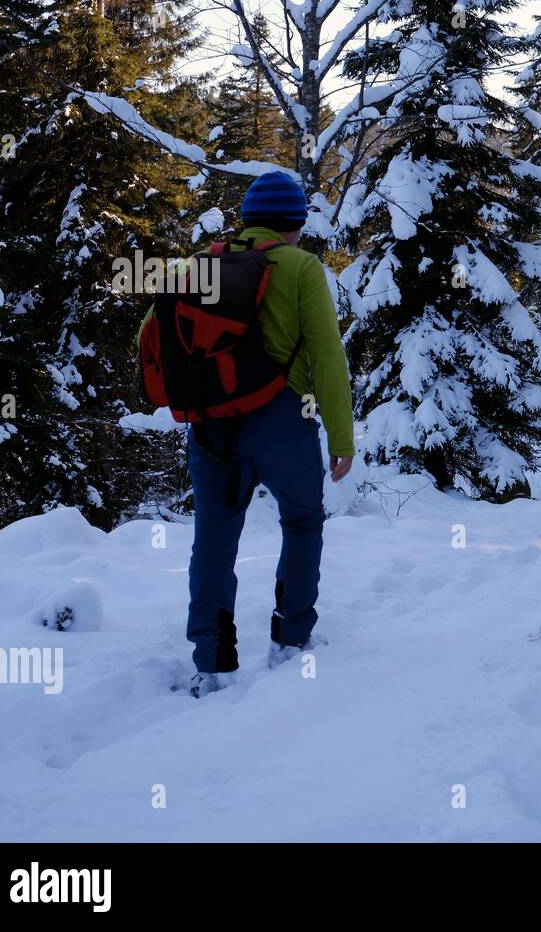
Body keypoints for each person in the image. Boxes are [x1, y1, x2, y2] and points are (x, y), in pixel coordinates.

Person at [140, 170, 355, 697]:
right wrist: (341, 437)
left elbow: (154, 332)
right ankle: (291, 640)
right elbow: (328, 356)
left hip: (213, 424)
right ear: (296, 224)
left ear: (247, 219)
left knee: (214, 534)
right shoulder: (303, 268)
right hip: (283, 415)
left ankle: (212, 663)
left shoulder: (201, 265)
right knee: (302, 522)